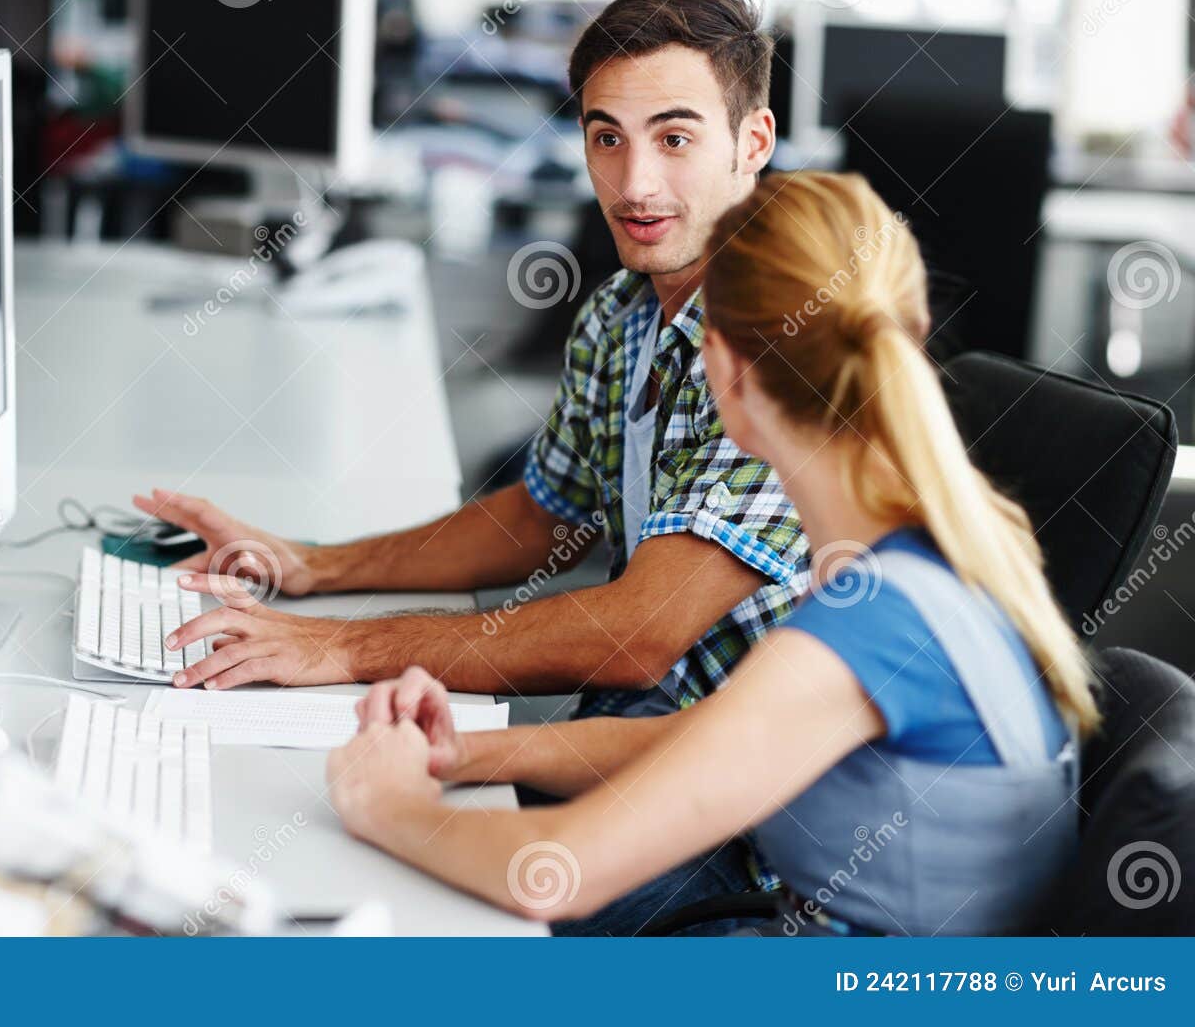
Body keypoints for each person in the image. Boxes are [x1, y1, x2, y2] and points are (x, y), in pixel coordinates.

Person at [140, 0, 805, 931]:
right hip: (631, 742)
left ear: (754, 141)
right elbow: (541, 516)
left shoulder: (786, 337)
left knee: (358, 894)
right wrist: (311, 565)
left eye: (675, 137)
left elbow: (639, 631)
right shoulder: (622, 312)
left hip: (750, 841)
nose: (634, 183)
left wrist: (341, 648)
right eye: (606, 136)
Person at [325, 171, 1099, 937]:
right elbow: (706, 739)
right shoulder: (941, 559)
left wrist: (386, 805)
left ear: (722, 369)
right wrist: (462, 752)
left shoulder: (868, 627)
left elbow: (554, 870)